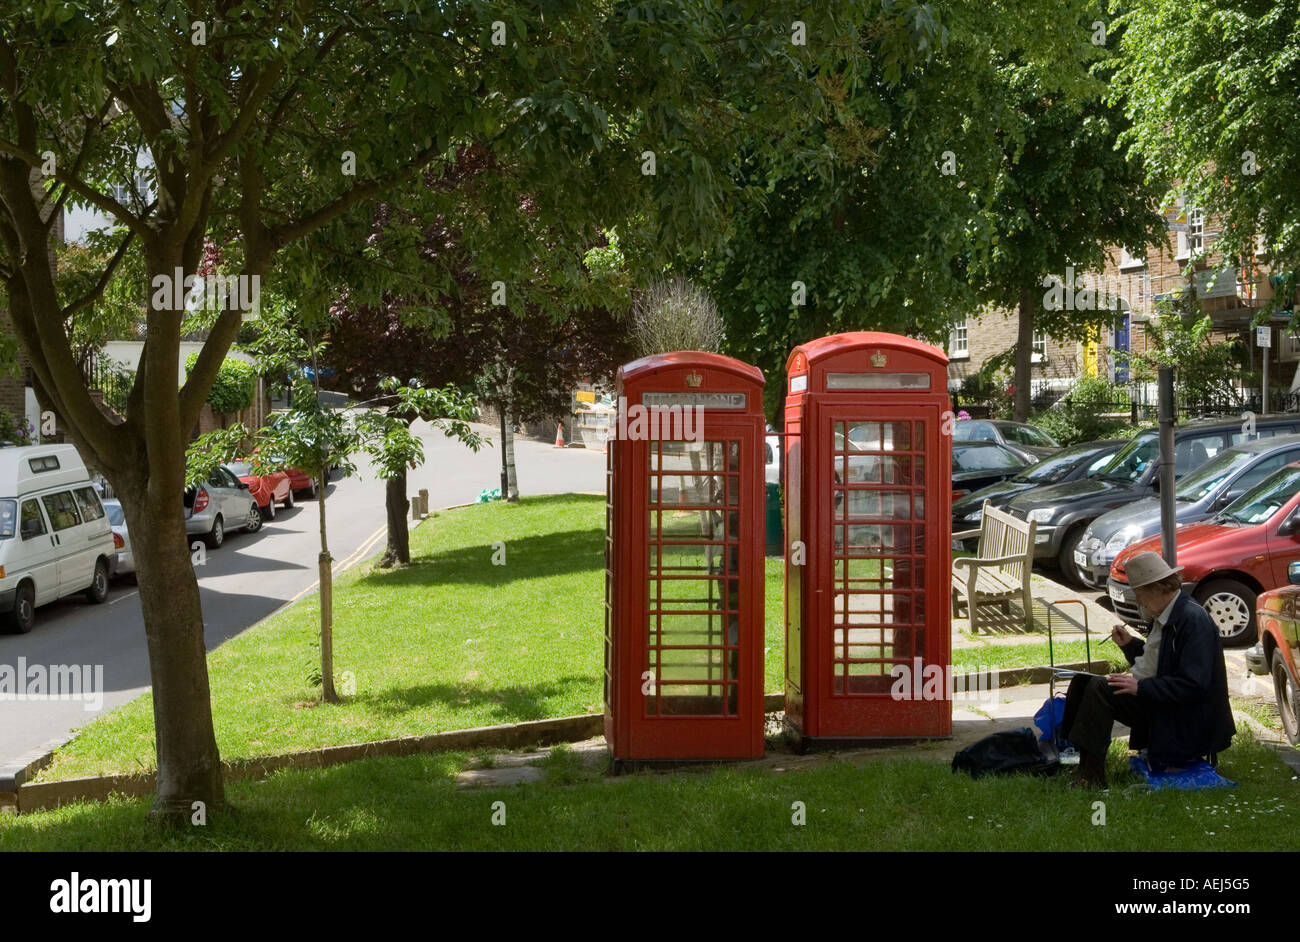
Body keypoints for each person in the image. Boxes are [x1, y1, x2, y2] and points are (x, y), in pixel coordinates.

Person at [1059, 551, 1235, 787]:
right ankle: (1073, 760)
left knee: (1100, 688)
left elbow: (1193, 685)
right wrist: (1129, 645)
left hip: (1187, 717)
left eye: (1140, 593)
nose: (1139, 601)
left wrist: (1142, 688)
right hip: (1162, 700)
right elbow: (1158, 662)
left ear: (1157, 588)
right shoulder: (1166, 613)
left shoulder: (1192, 620)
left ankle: (1092, 777)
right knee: (1083, 681)